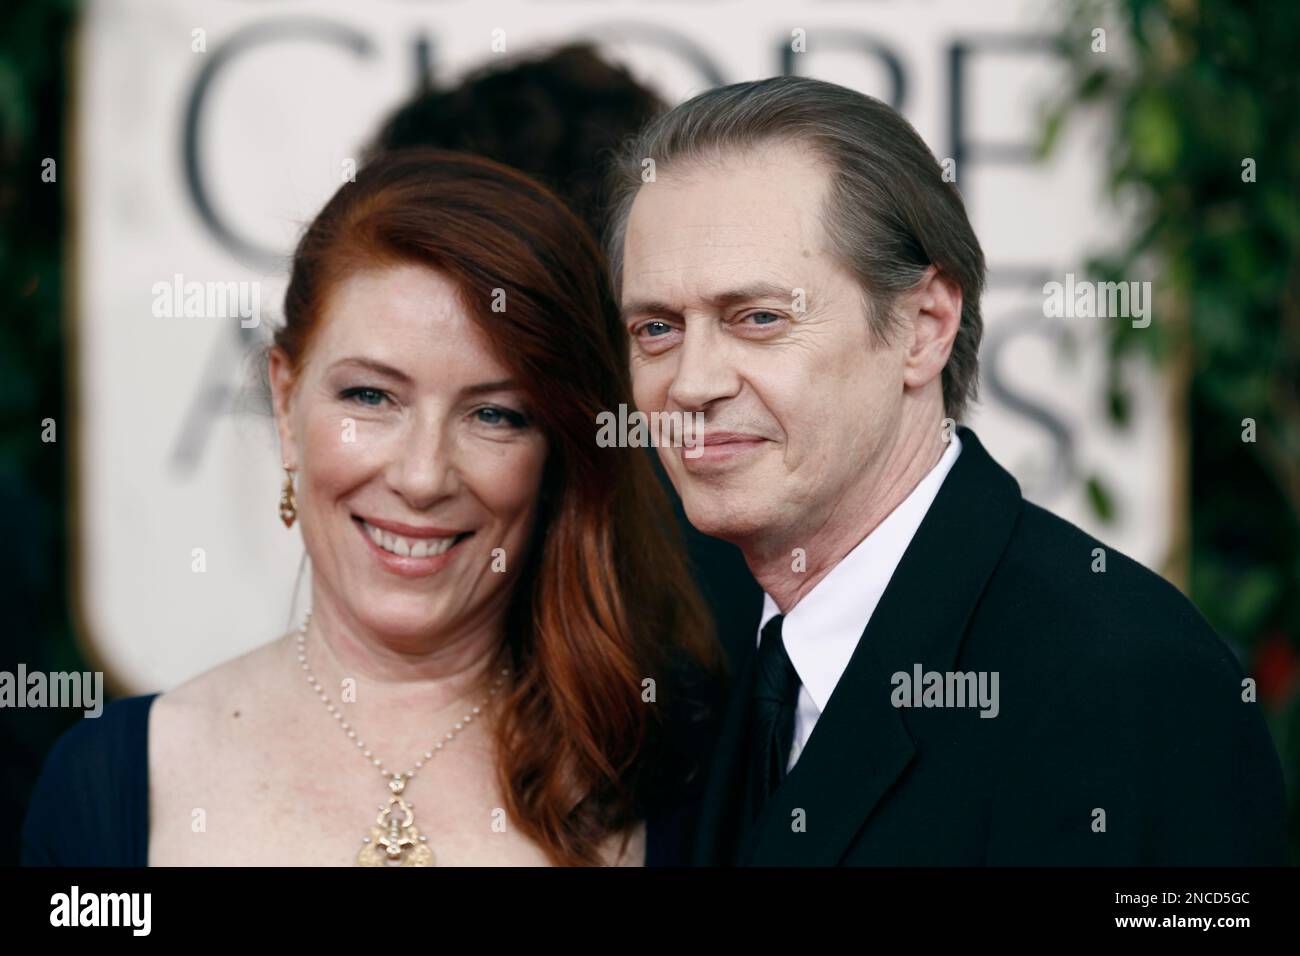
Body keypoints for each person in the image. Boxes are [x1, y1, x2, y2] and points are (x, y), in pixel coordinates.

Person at [603, 74, 1288, 865]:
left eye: (758, 319)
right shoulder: (699, 658)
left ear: (924, 328)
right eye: (655, 329)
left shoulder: (1126, 683)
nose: (691, 382)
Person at [22, 149, 721, 866]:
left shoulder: (685, 780)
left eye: (496, 415)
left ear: (559, 453)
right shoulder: (108, 786)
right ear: (286, 401)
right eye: (370, 397)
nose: (422, 478)